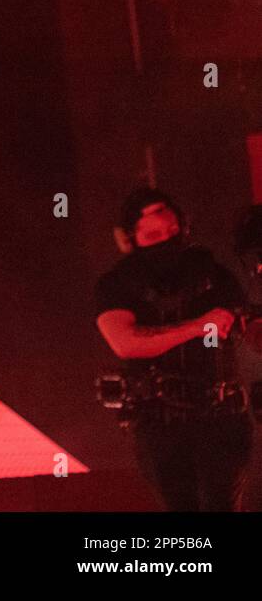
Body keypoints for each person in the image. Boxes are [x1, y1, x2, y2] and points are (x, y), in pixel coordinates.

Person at [95, 188, 252, 511]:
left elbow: (245, 328)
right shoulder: (117, 285)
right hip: (159, 423)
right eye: (153, 235)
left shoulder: (214, 275)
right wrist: (197, 326)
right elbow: (126, 343)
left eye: (172, 231)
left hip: (220, 416)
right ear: (130, 239)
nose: (166, 240)